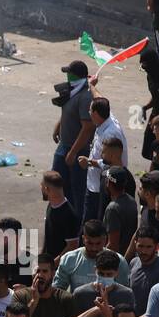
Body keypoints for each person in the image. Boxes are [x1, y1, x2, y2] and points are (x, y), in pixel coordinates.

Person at [75, 98, 129, 224]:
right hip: (94, 183)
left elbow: (110, 162)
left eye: (90, 110)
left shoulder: (110, 134)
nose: (88, 113)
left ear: (95, 114)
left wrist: (89, 162)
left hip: (100, 188)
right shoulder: (106, 118)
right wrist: (92, 85)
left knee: (91, 223)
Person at [54, 59, 96, 214]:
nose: (67, 76)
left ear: (74, 75)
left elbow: (87, 127)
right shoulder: (73, 90)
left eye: (69, 73)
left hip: (77, 150)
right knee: (56, 184)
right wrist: (58, 126)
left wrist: (73, 152)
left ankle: (76, 223)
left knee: (76, 191)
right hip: (64, 145)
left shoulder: (85, 96)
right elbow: (67, 110)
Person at [55, 220, 131, 292]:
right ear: (83, 239)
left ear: (105, 240)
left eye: (98, 243)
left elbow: (123, 293)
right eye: (90, 243)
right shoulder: (69, 260)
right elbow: (57, 290)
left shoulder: (119, 261)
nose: (94, 248)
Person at [41, 171, 81, 262]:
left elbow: (72, 245)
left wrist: (53, 264)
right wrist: (42, 255)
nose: (41, 189)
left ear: (47, 189)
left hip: (62, 268)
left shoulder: (68, 215)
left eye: (41, 186)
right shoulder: (51, 205)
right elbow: (48, 234)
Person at [129, 226, 159, 316]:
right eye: (140, 246)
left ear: (156, 246)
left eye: (148, 247)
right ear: (135, 243)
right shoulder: (134, 263)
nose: (144, 251)